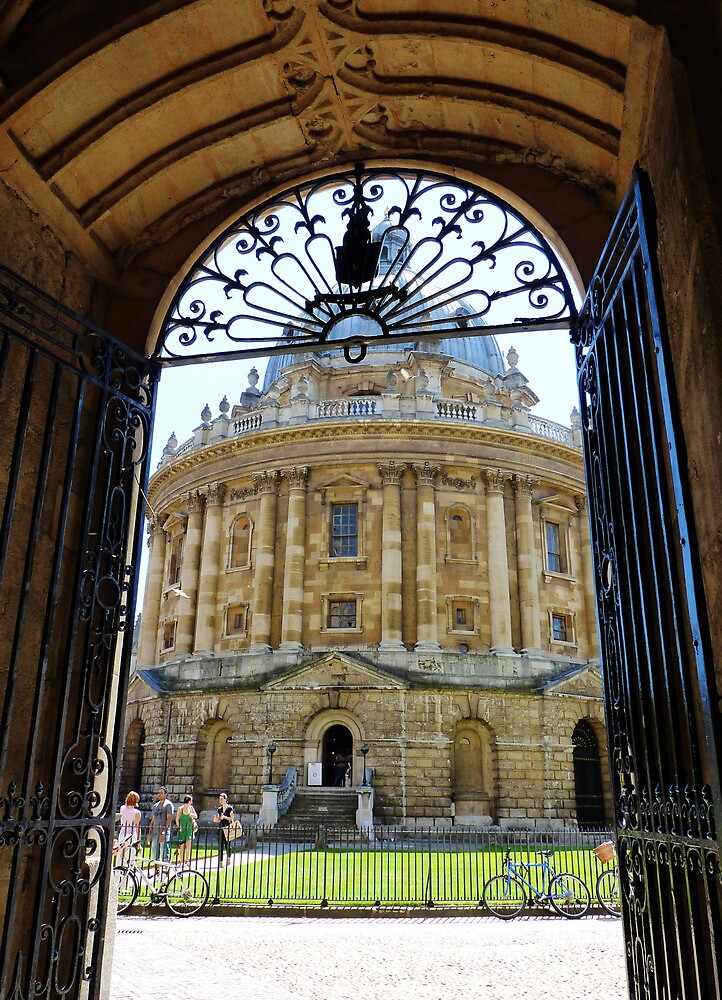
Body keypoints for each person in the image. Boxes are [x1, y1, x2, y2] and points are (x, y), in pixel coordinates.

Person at [146, 786, 174, 870]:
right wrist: (149, 834)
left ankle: (165, 870)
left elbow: (169, 819)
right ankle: (157, 871)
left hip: (163, 832)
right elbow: (152, 820)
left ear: (165, 794)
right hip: (155, 832)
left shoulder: (168, 805)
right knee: (155, 853)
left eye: (161, 793)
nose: (159, 794)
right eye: (158, 793)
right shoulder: (155, 806)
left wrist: (163, 832)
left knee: (164, 852)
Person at [117, 791, 141, 864]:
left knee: (120, 855)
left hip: (122, 833)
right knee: (130, 855)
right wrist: (139, 842)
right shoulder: (137, 812)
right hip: (131, 835)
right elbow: (137, 827)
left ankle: (118, 869)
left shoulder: (122, 808)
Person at [174, 794, 197, 865]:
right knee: (182, 845)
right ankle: (181, 860)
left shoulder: (191, 808)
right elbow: (177, 819)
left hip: (189, 828)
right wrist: (179, 826)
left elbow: (196, 816)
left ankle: (187, 860)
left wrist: (192, 815)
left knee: (188, 845)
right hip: (182, 828)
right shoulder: (180, 809)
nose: (191, 802)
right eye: (191, 801)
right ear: (189, 801)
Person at [212, 791, 234, 868]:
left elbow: (231, 818)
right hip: (221, 828)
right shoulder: (219, 809)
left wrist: (225, 817)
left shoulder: (229, 808)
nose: (220, 800)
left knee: (227, 845)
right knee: (220, 845)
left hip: (227, 828)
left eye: (222, 799)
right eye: (219, 799)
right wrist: (216, 819)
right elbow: (219, 818)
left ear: (225, 799)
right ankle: (220, 861)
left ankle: (229, 857)